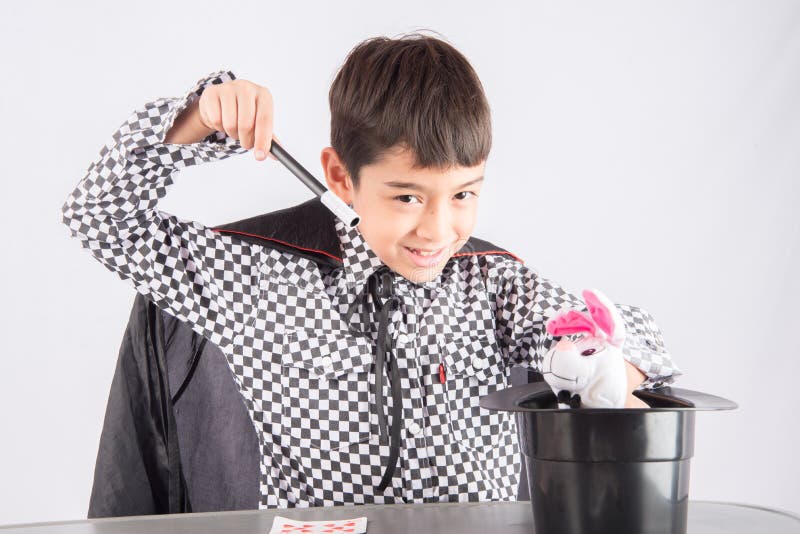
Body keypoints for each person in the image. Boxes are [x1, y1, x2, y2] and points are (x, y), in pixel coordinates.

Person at [61, 32, 681, 510]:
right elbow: (99, 216)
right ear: (339, 177)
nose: (438, 230)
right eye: (407, 196)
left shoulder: (493, 284)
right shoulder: (253, 279)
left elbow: (593, 330)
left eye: (463, 195)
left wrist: (607, 365)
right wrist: (194, 121)